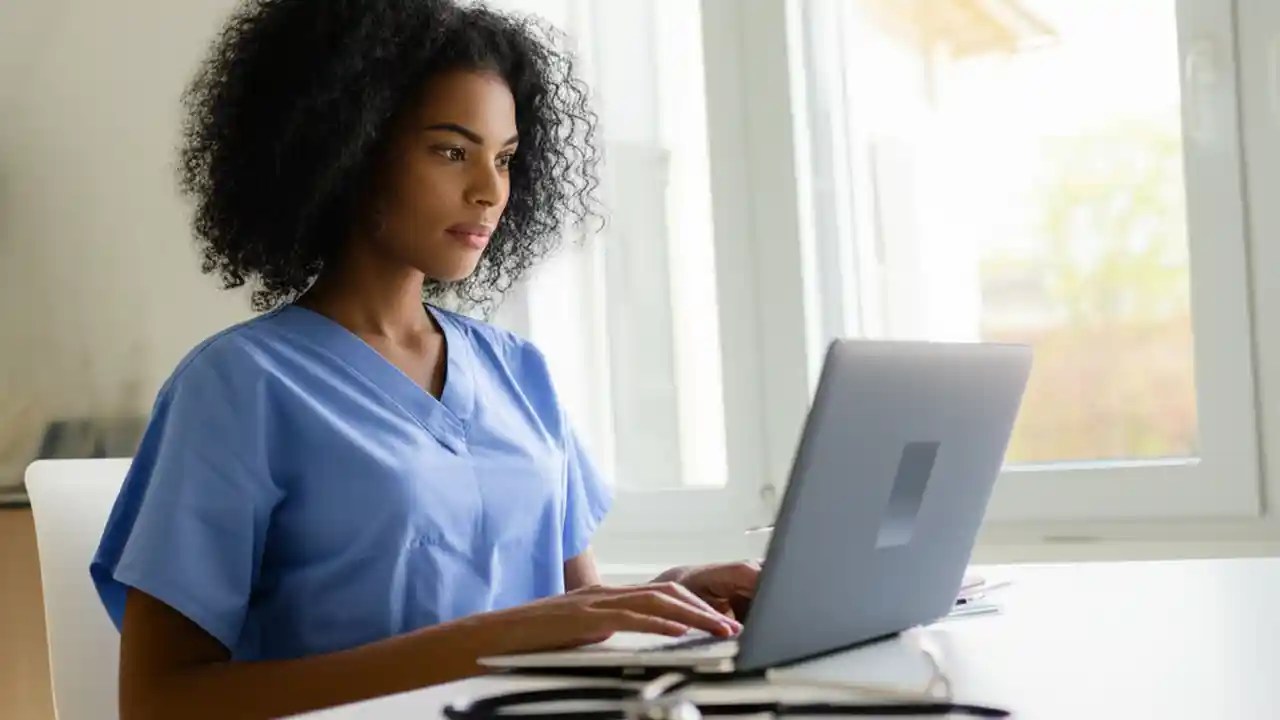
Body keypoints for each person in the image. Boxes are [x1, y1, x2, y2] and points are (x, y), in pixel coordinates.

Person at [88, 1, 760, 718]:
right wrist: (492, 639)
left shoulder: (518, 371)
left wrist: (671, 597)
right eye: (450, 150)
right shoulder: (239, 387)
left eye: (504, 158)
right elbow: (159, 702)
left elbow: (564, 617)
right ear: (348, 145)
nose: (490, 189)